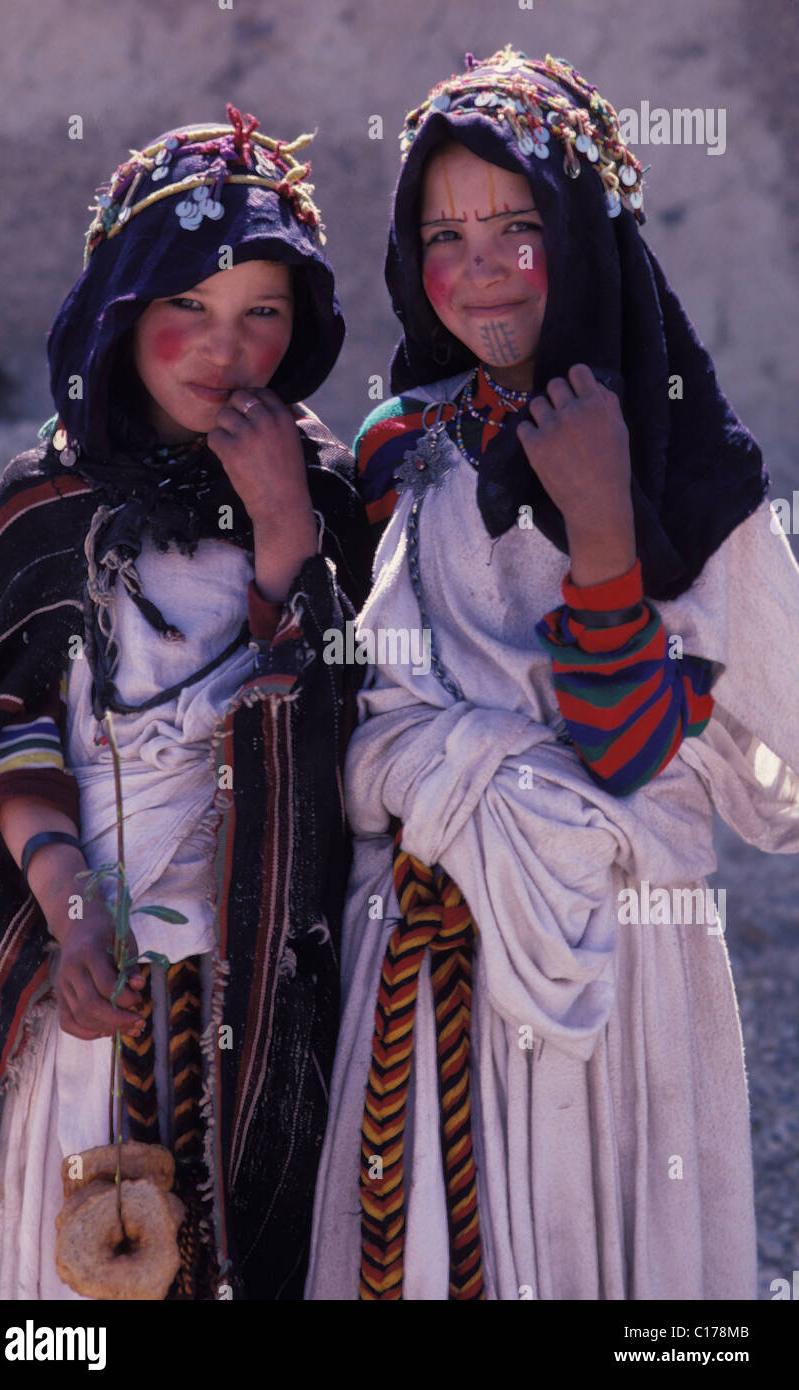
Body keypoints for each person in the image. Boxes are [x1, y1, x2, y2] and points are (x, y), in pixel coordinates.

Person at [305, 49, 799, 1300]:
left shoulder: (690, 473)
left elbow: (633, 756)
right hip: (424, 951)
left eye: (517, 226)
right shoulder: (403, 449)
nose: (478, 265)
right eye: (443, 232)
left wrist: (601, 527)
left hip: (613, 973)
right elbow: (364, 693)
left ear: (584, 235)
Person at [0, 104, 372, 1300]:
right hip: (82, 979)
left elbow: (333, 755)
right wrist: (71, 910)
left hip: (253, 999)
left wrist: (287, 528)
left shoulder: (324, 495)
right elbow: (3, 726)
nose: (220, 349)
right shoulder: (49, 505)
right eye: (184, 307)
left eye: (261, 313)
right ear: (122, 314)